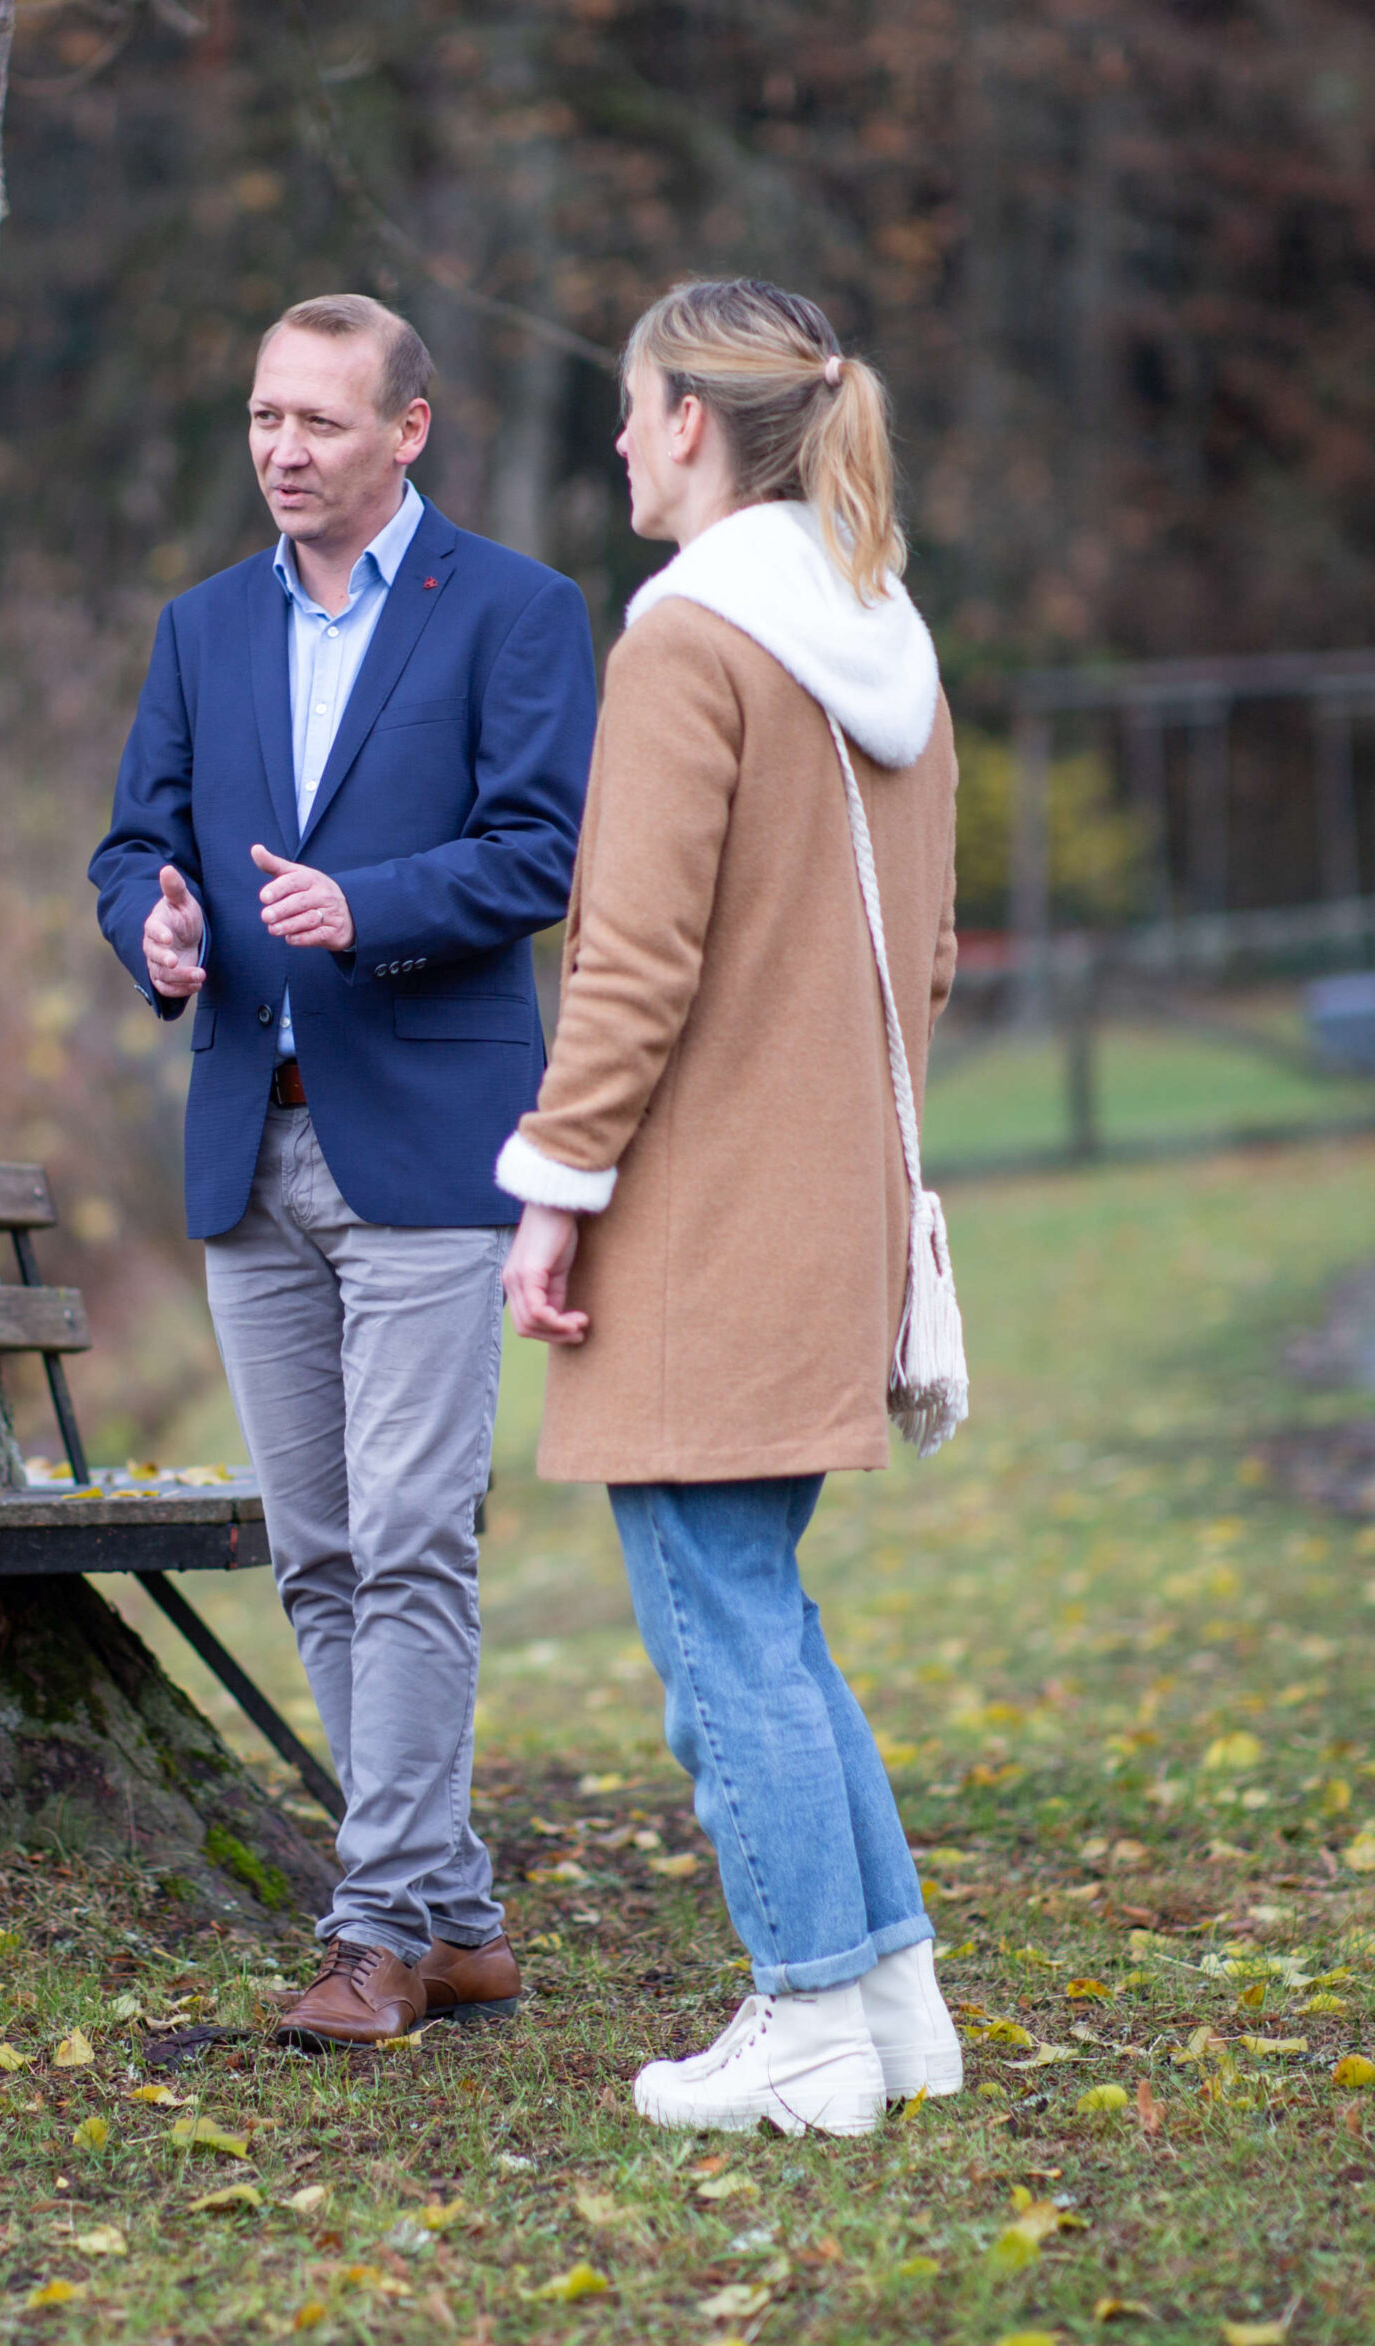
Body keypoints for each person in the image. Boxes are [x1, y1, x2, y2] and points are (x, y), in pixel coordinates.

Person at [91, 294, 597, 2049]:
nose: (283, 451)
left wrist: (368, 909)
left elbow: (542, 850)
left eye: (318, 421)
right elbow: (133, 840)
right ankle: (453, 1914)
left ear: (409, 431)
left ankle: (376, 1929)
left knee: (411, 1542)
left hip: (432, 1145)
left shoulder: (518, 611)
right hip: (251, 1137)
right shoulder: (201, 626)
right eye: (262, 419)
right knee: (317, 1546)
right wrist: (149, 926)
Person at [496, 278, 966, 2135]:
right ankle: (894, 1996)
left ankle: (806, 2022)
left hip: (697, 1224)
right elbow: (922, 956)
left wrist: (555, 1188)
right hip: (837, 1204)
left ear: (694, 420)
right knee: (762, 1610)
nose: (618, 439)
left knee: (718, 1636)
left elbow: (627, 962)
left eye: (630, 408)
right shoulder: (883, 636)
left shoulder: (690, 643)